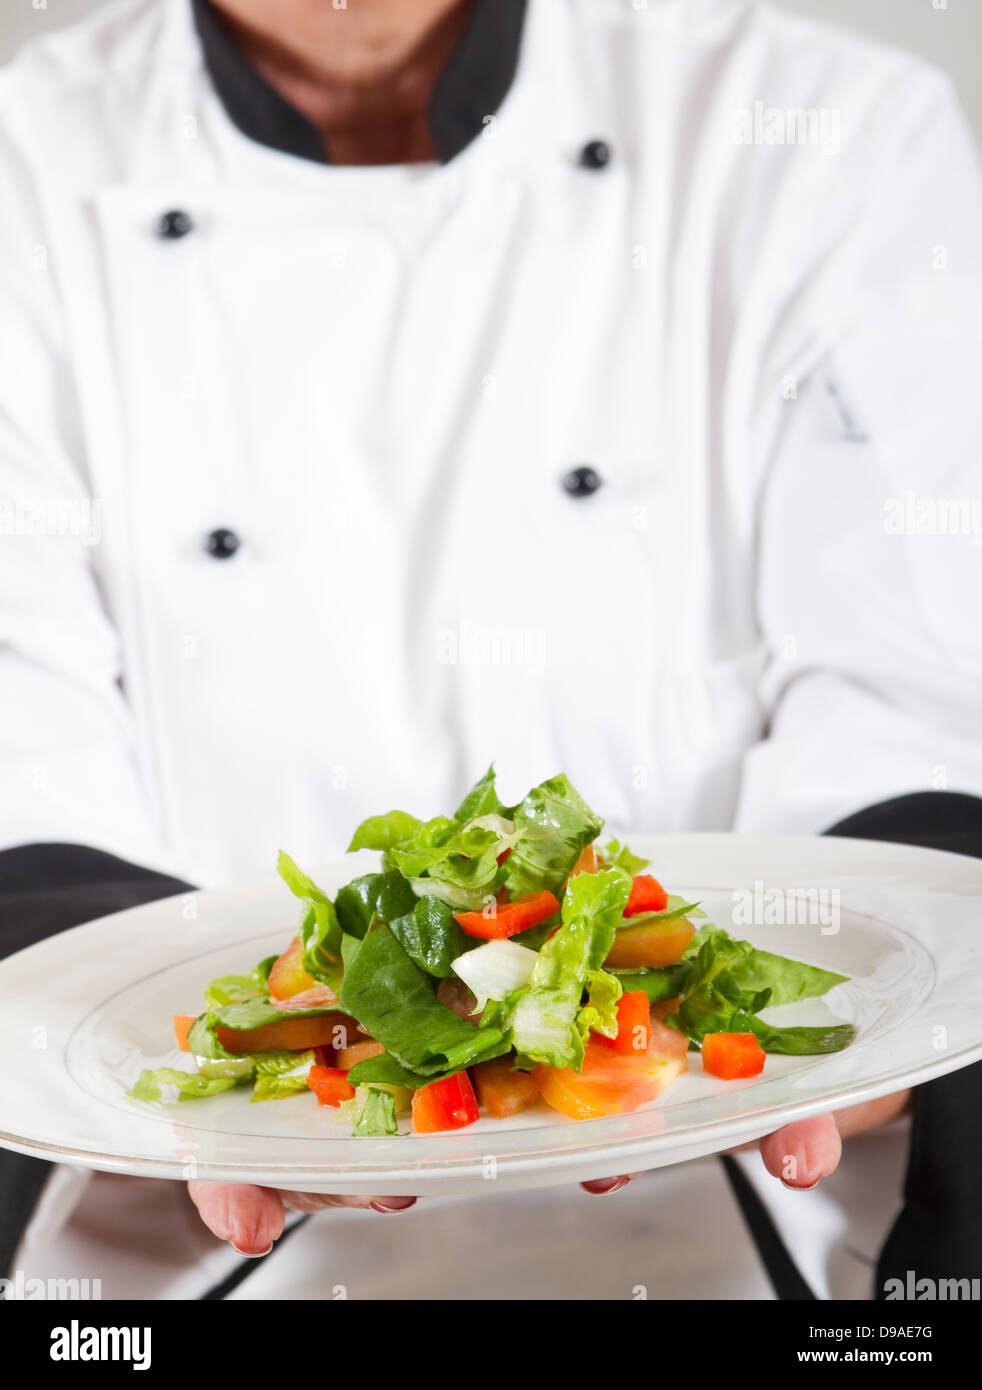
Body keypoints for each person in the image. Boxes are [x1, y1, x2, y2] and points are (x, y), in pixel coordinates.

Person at [1, 0, 980, 1301]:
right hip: (183, 1206)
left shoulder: (824, 129)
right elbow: (27, 761)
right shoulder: (28, 159)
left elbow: (914, 708)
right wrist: (221, 1072)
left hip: (752, 1185)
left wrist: (862, 1026)